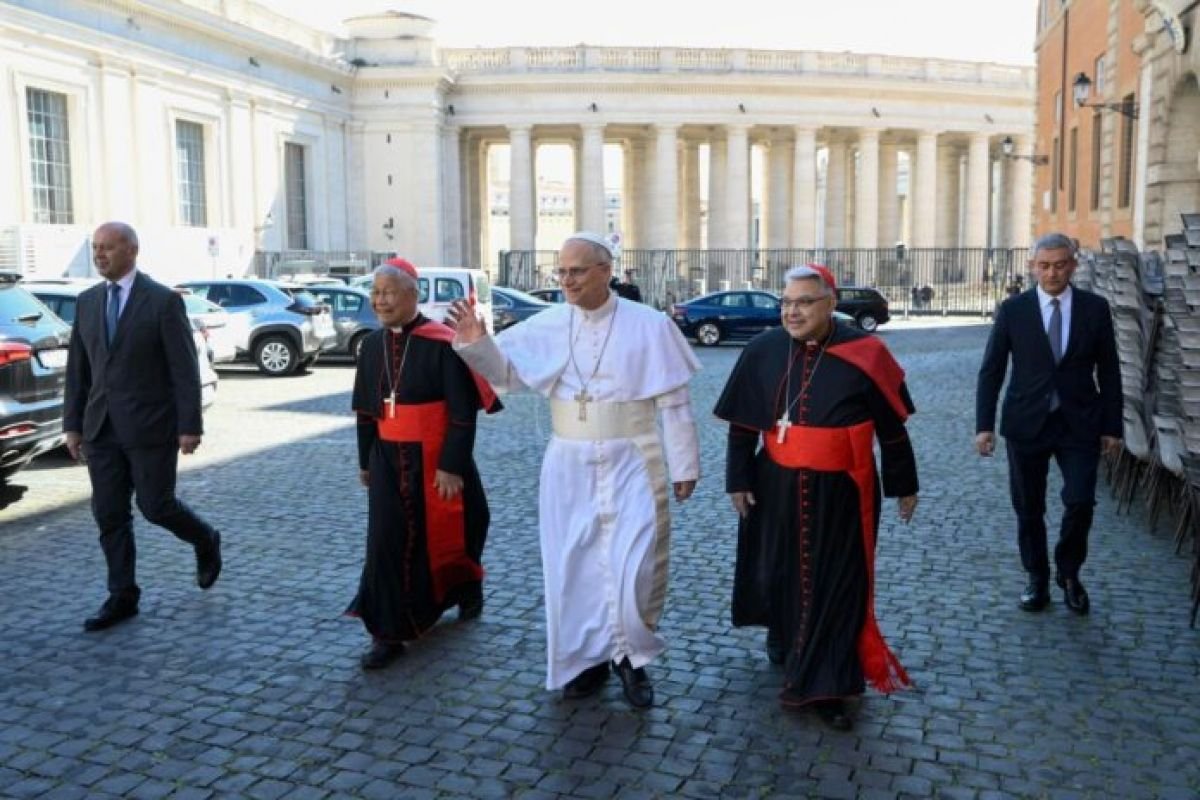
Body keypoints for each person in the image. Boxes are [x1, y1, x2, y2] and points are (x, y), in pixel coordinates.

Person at [447, 231, 700, 709]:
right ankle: (585, 662)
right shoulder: (548, 324)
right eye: (561, 271)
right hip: (568, 465)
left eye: (577, 271)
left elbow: (675, 401)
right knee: (573, 565)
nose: (566, 280)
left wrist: (684, 464)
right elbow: (507, 376)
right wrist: (477, 345)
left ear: (607, 271)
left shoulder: (649, 325)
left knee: (635, 565)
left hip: (633, 460)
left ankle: (631, 662)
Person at [713, 264, 919, 730]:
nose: (793, 311)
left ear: (831, 303)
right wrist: (738, 480)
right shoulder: (763, 350)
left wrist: (905, 485)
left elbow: (892, 430)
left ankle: (829, 684)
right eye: (786, 302)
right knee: (782, 570)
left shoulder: (866, 353)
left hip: (843, 490)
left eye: (804, 302)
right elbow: (743, 425)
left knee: (837, 583)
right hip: (775, 486)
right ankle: (784, 634)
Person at [64, 222, 222, 632]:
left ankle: (204, 539)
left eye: (108, 248)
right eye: (95, 248)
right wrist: (72, 425)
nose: (100, 255)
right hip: (100, 429)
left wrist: (190, 425)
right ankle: (122, 596)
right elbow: (77, 371)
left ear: (132, 250)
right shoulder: (86, 302)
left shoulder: (162, 301)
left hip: (150, 426)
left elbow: (183, 367)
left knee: (155, 506)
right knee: (109, 513)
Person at [346, 259, 501, 669]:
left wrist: (452, 464)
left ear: (412, 295)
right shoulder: (371, 346)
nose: (380, 300)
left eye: (388, 292)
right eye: (375, 293)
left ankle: (465, 588)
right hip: (386, 461)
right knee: (385, 544)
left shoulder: (441, 342)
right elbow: (365, 411)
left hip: (437, 460)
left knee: (458, 531)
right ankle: (388, 632)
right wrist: (365, 462)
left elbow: (462, 412)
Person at [975, 233, 1122, 615]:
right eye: (1044, 265)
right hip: (1026, 423)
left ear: (1073, 265)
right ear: (1032, 266)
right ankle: (1036, 577)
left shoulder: (1095, 308)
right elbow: (992, 370)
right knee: (1028, 506)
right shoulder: (1013, 310)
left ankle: (1069, 573)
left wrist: (1112, 426)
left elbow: (1110, 371)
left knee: (1081, 500)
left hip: (1080, 422)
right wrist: (984, 425)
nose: (1052, 272)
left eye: (1060, 264)